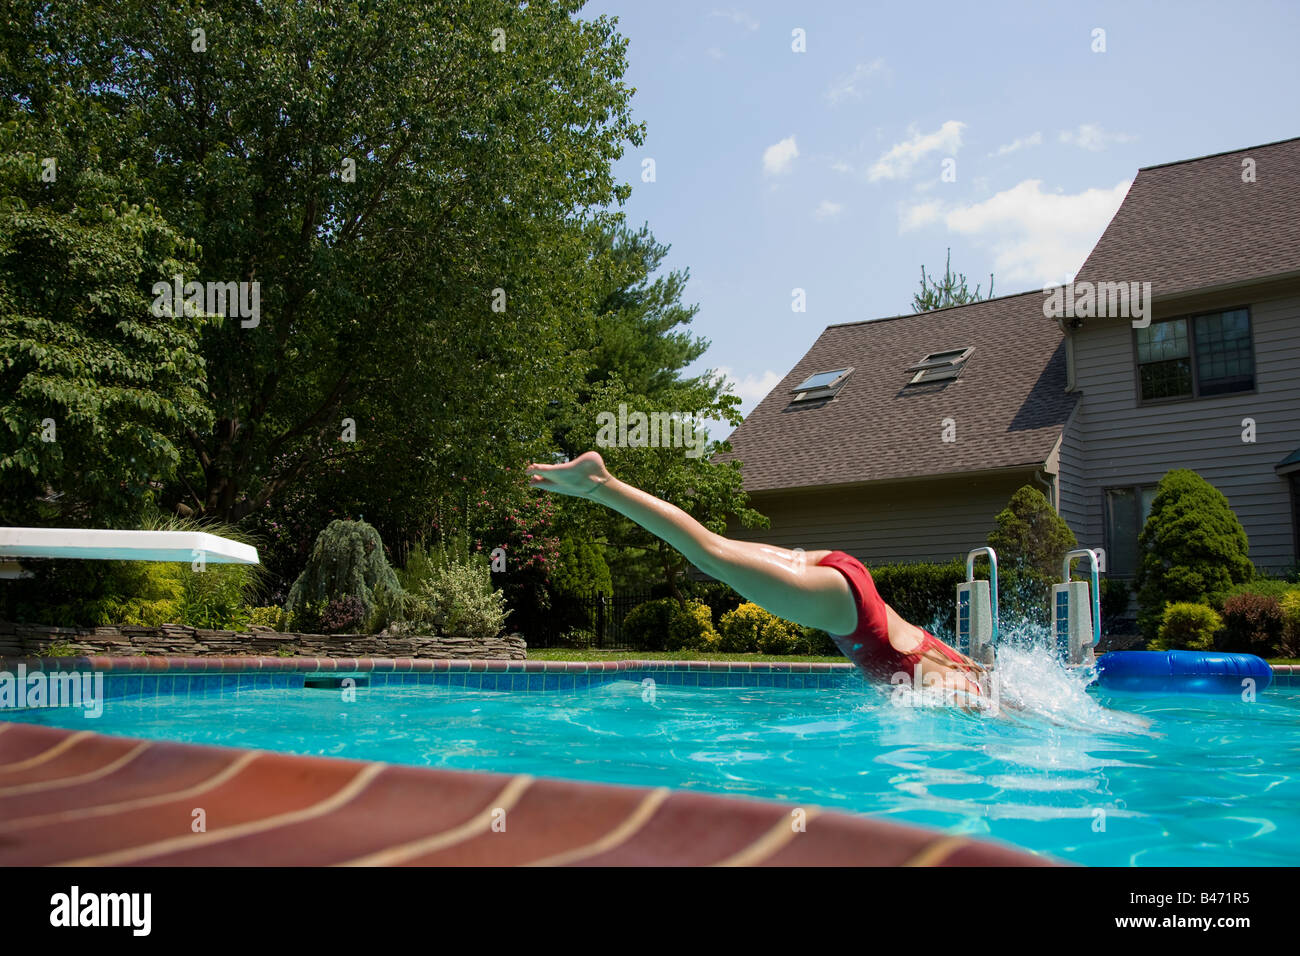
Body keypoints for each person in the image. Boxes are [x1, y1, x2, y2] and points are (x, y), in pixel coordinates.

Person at [527, 451, 988, 707]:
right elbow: (959, 699)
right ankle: (599, 484)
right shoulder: (962, 691)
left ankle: (598, 483)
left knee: (715, 547)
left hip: (849, 578)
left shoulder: (964, 670)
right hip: (847, 612)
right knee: (710, 554)